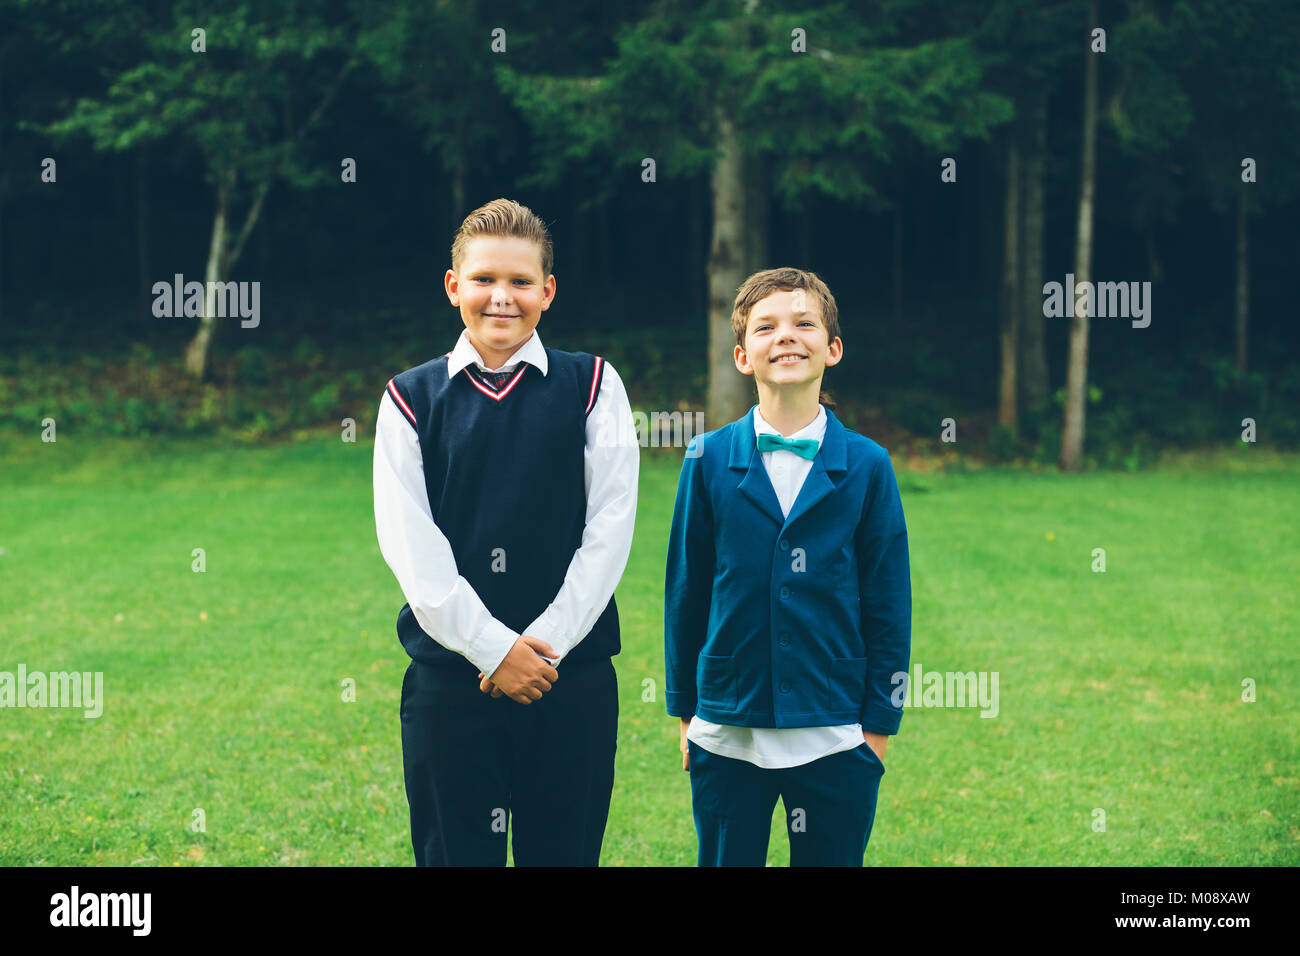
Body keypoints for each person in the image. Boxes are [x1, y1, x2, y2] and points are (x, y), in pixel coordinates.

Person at [374, 198, 638, 865]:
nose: (502, 297)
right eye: (485, 279)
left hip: (569, 679)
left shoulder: (593, 385)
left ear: (547, 291)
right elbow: (411, 545)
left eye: (521, 282)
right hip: (452, 682)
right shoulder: (411, 397)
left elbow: (609, 529)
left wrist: (540, 649)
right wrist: (493, 650)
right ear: (453, 286)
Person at [664, 267, 911, 866]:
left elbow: (888, 602)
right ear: (743, 355)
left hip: (834, 728)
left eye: (804, 323)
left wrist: (876, 728)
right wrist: (687, 710)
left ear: (833, 348)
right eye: (766, 326)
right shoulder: (707, 459)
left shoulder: (868, 464)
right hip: (728, 723)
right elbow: (685, 591)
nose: (786, 336)